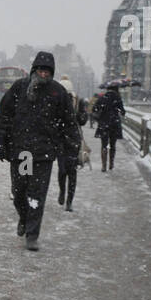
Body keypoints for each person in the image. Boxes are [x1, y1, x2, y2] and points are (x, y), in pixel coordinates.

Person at [0, 51, 77, 252]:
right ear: (34, 70)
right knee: (19, 191)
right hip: (22, 153)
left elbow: (69, 123)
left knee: (37, 194)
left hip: (44, 154)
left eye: (47, 71)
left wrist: (71, 147)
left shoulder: (58, 93)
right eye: (41, 70)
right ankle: (23, 217)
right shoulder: (20, 88)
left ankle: (32, 234)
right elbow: (3, 116)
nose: (44, 74)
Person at [56, 75, 90, 212]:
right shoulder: (56, 101)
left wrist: (79, 113)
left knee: (71, 171)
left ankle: (69, 200)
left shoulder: (77, 101)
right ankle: (62, 192)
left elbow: (82, 121)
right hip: (61, 139)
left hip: (72, 140)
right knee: (63, 169)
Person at [96, 84, 125, 171]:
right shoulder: (118, 98)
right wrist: (118, 112)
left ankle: (103, 165)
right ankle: (111, 163)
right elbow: (123, 111)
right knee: (113, 145)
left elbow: (95, 109)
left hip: (104, 124)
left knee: (104, 145)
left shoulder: (102, 98)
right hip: (114, 124)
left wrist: (101, 113)